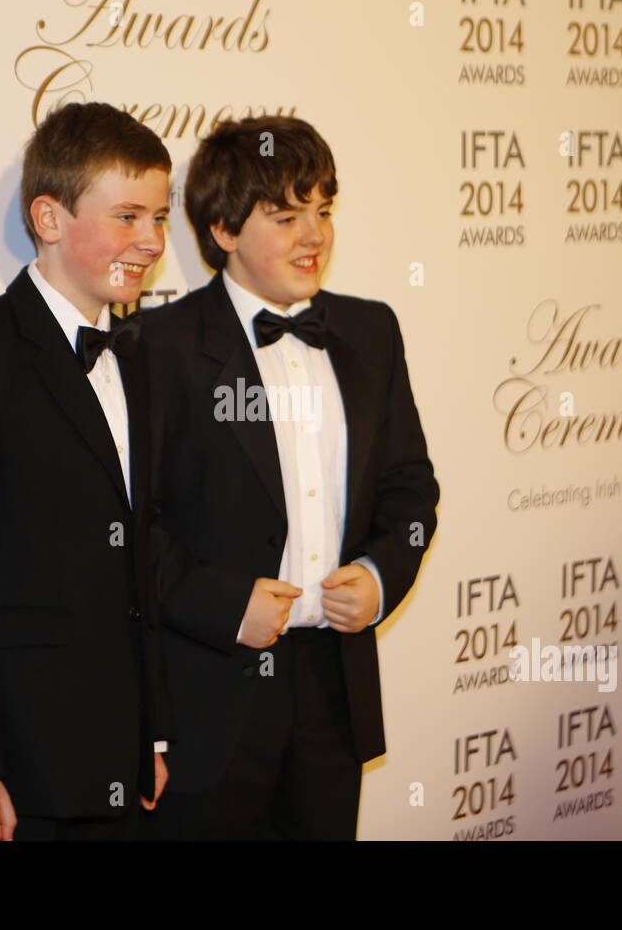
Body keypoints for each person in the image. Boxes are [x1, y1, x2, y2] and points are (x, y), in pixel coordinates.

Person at [140, 115, 439, 839]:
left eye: (324, 210)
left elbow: (410, 486)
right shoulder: (158, 347)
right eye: (285, 215)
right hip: (210, 698)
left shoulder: (372, 331)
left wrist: (380, 571)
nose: (315, 234)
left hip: (333, 692)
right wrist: (225, 603)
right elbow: (126, 527)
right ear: (223, 229)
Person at [0, 102, 173, 841]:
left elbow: (141, 561)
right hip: (15, 772)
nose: (150, 241)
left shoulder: (137, 359)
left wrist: (156, 732)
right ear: (50, 218)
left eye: (160, 219)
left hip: (121, 761)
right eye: (129, 216)